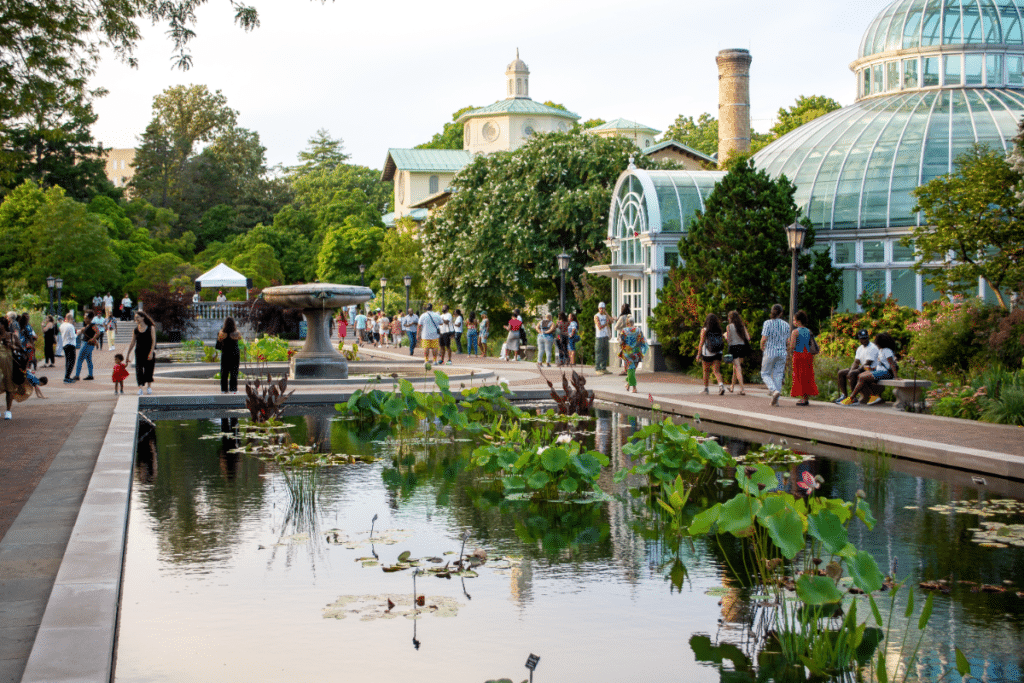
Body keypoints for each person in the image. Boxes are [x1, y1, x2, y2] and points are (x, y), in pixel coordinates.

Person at [846, 333, 899, 406]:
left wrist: (895, 377)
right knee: (860, 375)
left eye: (876, 342)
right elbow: (881, 363)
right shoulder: (881, 350)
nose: (875, 343)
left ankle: (851, 398)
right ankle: (874, 396)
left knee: (862, 377)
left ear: (881, 342)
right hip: (879, 371)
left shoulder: (887, 351)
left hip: (886, 373)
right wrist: (872, 368)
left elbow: (892, 364)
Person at [836, 329, 879, 405]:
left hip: (871, 369)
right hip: (863, 368)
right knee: (841, 372)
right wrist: (850, 370)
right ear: (859, 339)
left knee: (853, 373)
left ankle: (853, 399)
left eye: (865, 338)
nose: (864, 340)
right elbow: (856, 362)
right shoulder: (860, 348)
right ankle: (844, 396)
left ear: (868, 337)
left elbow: (867, 363)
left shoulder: (873, 347)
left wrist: (853, 371)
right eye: (862, 338)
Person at [760, 304, 789, 406]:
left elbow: (764, 339)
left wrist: (761, 346)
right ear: (781, 313)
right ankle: (776, 401)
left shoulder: (767, 323)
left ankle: (773, 390)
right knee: (778, 375)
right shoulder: (786, 325)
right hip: (782, 352)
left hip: (770, 351)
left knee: (765, 373)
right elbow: (788, 341)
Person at [788, 310, 819, 406]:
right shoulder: (809, 331)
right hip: (808, 355)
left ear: (798, 321)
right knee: (807, 375)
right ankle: (805, 397)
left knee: (799, 376)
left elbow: (792, 346)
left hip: (799, 355)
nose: (793, 322)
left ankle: (803, 398)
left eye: (794, 320)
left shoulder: (795, 332)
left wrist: (788, 344)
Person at [125, 311, 157, 395]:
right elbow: (132, 342)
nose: (136, 319)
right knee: (138, 370)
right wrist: (128, 354)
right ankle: (140, 388)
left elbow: (153, 341)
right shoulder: (135, 330)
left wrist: (151, 352)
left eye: (137, 317)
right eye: (135, 317)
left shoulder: (151, 328)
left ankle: (149, 387)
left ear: (143, 317)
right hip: (139, 352)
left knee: (149, 370)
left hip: (148, 351)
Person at [696, 313, 726, 395]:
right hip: (718, 352)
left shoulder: (704, 330)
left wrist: (698, 354)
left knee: (706, 371)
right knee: (716, 371)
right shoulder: (719, 330)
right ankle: (721, 386)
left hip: (707, 353)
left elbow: (701, 343)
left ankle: (706, 389)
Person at [618, 315, 648, 393]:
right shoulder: (638, 330)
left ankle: (634, 388)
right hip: (636, 354)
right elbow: (643, 340)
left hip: (628, 353)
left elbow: (621, 341)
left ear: (627, 323)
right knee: (632, 370)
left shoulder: (624, 330)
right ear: (633, 322)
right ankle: (628, 384)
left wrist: (623, 348)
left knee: (630, 370)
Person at [726, 310, 750, 395]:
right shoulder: (742, 326)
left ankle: (742, 389)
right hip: (742, 347)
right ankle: (732, 387)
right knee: (735, 368)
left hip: (734, 347)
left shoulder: (729, 326)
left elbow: (729, 340)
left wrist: (726, 336)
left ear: (730, 318)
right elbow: (748, 338)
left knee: (737, 368)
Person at [217, 317, 242, 394]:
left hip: (225, 354)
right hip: (235, 355)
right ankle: (233, 389)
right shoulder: (237, 333)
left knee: (224, 372)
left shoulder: (221, 334)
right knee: (234, 372)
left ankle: (224, 389)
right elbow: (239, 342)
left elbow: (217, 346)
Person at [73, 312, 99, 380]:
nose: (84, 319)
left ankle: (77, 375)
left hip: (87, 344)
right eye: (84, 318)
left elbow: (98, 332)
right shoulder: (87, 325)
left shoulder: (92, 325)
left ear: (90, 319)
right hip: (87, 344)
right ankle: (90, 375)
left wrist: (93, 339)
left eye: (86, 318)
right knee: (88, 360)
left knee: (80, 359)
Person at [0, 317, 17, 419]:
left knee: (9, 388)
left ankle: (8, 410)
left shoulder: (11, 336)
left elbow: (19, 348)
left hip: (9, 366)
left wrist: (11, 346)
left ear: (4, 325)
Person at [614, 303, 632, 375]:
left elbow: (616, 327)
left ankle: (625, 370)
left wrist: (617, 320)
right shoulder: (630, 316)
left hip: (623, 337)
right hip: (630, 336)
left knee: (624, 353)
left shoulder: (622, 317)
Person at [593, 302, 611, 374]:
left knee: (605, 352)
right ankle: (597, 368)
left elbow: (611, 320)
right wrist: (606, 324)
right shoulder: (596, 316)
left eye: (603, 308)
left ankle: (603, 368)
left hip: (605, 336)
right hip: (599, 337)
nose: (602, 310)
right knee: (599, 353)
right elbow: (599, 327)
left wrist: (606, 314)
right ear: (598, 308)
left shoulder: (605, 316)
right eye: (600, 308)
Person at [60, 312, 77, 383]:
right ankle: (67, 377)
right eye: (72, 319)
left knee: (67, 361)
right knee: (71, 361)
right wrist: (78, 333)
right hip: (71, 344)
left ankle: (67, 376)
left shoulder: (62, 325)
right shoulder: (70, 326)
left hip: (65, 344)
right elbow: (73, 336)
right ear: (70, 319)